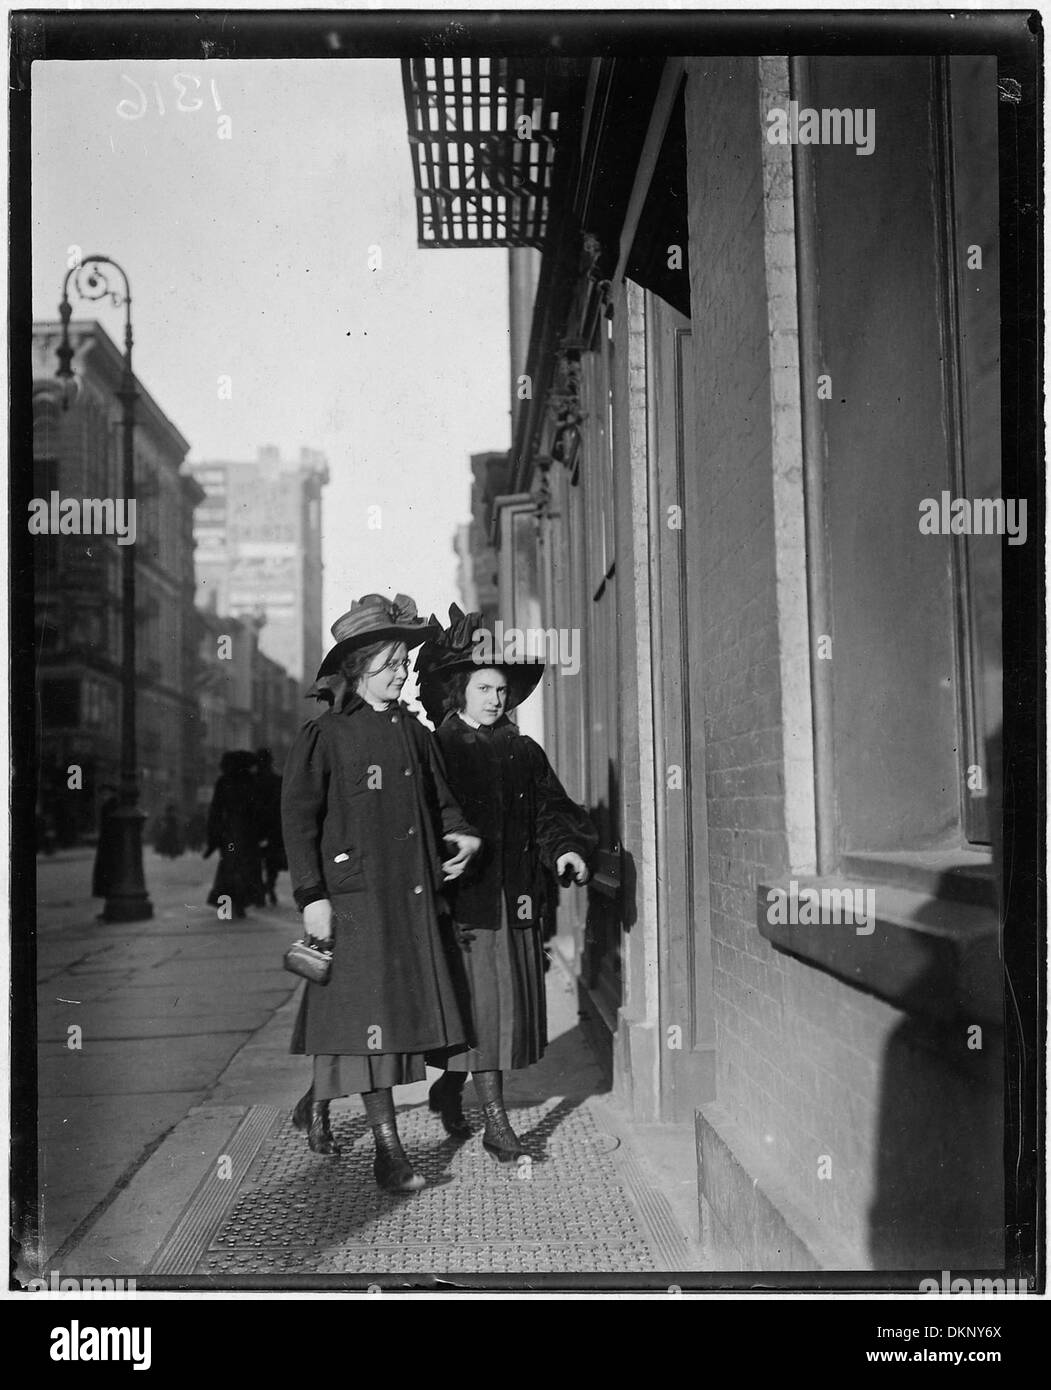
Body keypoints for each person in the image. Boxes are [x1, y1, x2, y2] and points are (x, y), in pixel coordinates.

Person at [281, 593, 481, 1194]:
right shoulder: (326, 736)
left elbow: (445, 804)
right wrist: (311, 895)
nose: (402, 672)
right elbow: (297, 820)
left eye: (404, 662)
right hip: (356, 901)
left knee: (386, 1021)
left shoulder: (415, 734)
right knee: (371, 1025)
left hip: (413, 900)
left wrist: (464, 836)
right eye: (390, 663)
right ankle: (388, 1154)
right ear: (359, 668)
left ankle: (317, 1100)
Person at [415, 605, 598, 1160]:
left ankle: (450, 1088)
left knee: (498, 1013)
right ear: (460, 692)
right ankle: (497, 1126)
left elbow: (550, 811)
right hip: (465, 905)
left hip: (517, 897)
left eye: (502, 690)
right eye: (485, 688)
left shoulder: (524, 750)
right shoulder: (438, 750)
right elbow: (420, 822)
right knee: (483, 1011)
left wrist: (564, 849)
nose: (497, 699)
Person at [204, 751, 265, 918]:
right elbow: (259, 809)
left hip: (229, 834)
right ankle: (242, 901)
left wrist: (213, 836)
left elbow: (215, 810)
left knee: (230, 867)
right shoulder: (251, 781)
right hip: (249, 834)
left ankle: (227, 903)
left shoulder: (224, 782)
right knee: (247, 867)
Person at [255, 748, 286, 906]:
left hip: (255, 827)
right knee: (271, 863)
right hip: (273, 826)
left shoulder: (251, 781)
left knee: (255, 862)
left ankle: (262, 890)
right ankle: (269, 887)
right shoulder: (277, 780)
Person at [91, 786, 120, 898]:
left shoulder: (109, 806)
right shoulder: (112, 805)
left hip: (108, 841)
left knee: (105, 866)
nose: (103, 796)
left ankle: (104, 889)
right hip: (109, 840)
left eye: (105, 794)